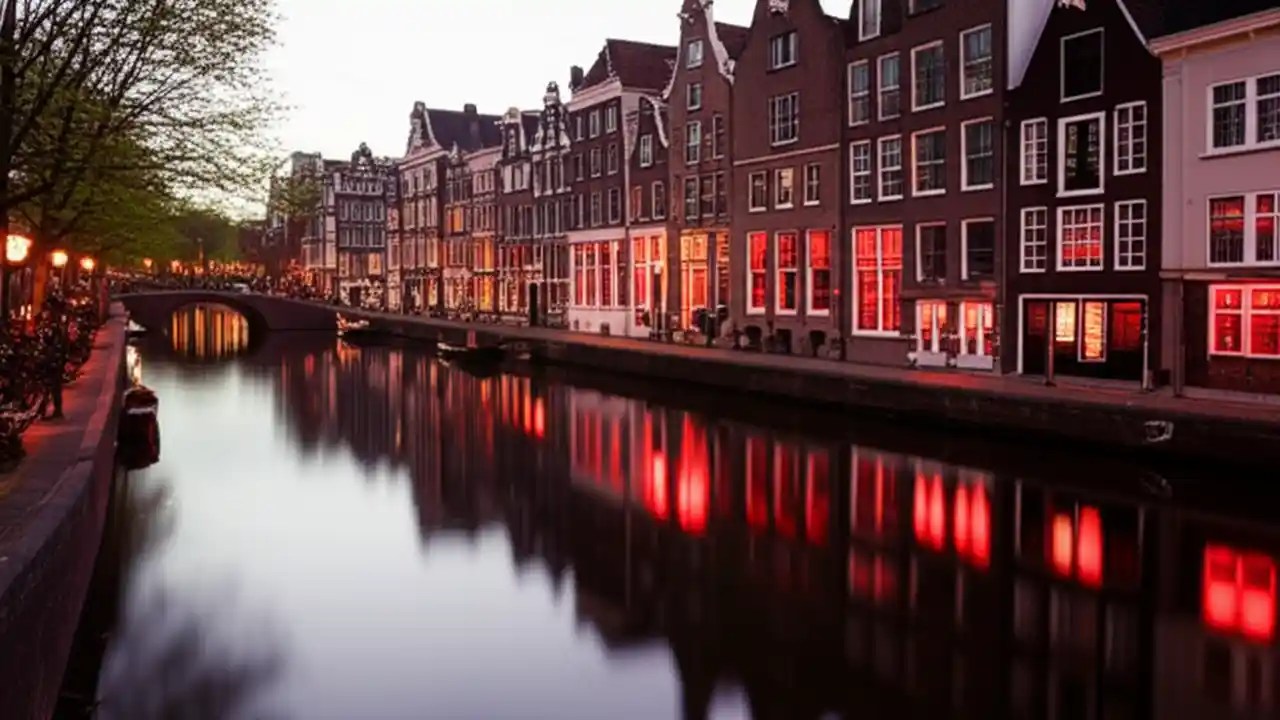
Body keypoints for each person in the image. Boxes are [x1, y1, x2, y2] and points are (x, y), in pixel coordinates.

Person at [38, 298, 69, 420]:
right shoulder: (47, 325)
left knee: (52, 386)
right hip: (50, 359)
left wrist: (55, 358)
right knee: (49, 386)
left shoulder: (55, 327)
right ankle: (46, 411)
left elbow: (57, 344)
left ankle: (54, 411)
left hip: (53, 360)